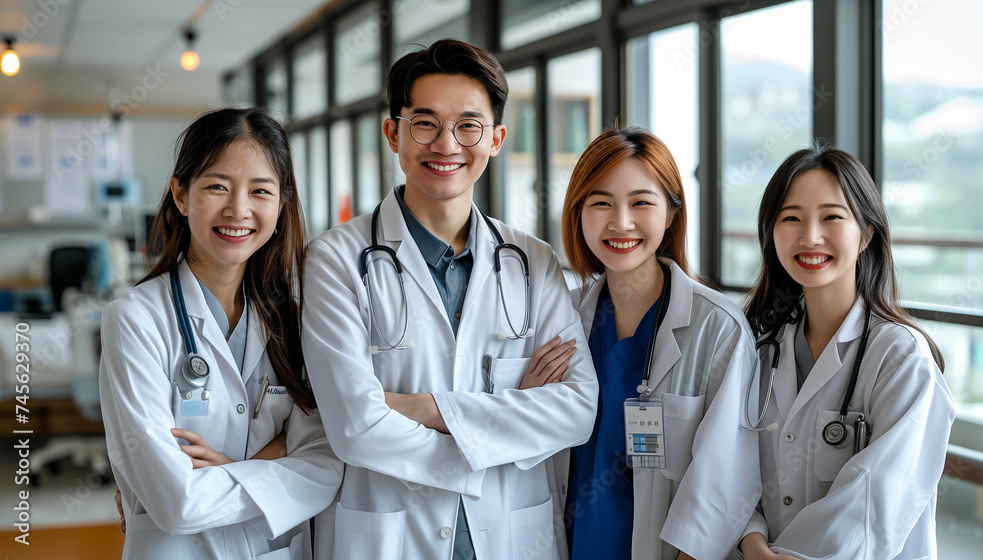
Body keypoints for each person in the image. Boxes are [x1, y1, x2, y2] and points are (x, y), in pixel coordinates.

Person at [300, 38, 599, 560]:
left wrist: (420, 408)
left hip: (512, 538)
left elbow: (574, 410)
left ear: (497, 139)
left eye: (468, 125)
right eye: (425, 123)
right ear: (393, 133)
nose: (446, 144)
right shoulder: (335, 259)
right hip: (388, 538)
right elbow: (355, 429)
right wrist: (504, 426)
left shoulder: (534, 261)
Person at [99, 107, 343, 559]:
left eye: (260, 191)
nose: (238, 209)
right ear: (181, 195)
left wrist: (233, 469)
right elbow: (176, 503)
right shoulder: (135, 318)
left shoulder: (294, 319)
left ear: (281, 202)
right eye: (217, 186)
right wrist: (275, 465)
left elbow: (328, 465)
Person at [537, 127, 761, 559]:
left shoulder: (717, 328)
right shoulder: (559, 319)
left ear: (672, 213)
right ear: (577, 212)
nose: (620, 223)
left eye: (641, 202)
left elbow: (727, 473)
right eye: (600, 202)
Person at [739, 145, 955, 559]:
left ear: (866, 233)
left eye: (831, 217)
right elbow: (732, 466)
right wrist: (752, 542)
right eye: (791, 218)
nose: (810, 236)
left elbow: (876, 501)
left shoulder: (901, 358)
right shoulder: (758, 345)